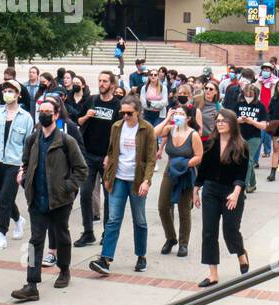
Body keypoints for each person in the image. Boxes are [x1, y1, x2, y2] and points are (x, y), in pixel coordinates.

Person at [11, 96, 86, 301]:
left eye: (47, 112)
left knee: (61, 236)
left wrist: (67, 187)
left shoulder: (66, 141)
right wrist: (24, 177)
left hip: (60, 200)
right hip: (37, 199)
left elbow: (81, 169)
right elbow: (25, 163)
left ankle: (64, 269)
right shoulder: (32, 139)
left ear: (56, 115)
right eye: (41, 111)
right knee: (35, 241)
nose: (43, 114)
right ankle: (32, 284)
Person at [89, 96, 156, 276]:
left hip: (137, 180)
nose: (125, 116)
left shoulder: (147, 129)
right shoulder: (117, 126)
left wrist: (146, 181)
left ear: (138, 112)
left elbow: (151, 158)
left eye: (129, 113)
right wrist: (108, 171)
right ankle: (106, 259)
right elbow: (111, 151)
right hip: (118, 178)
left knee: (139, 220)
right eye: (122, 112)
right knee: (113, 219)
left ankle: (141, 255)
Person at [194, 114, 250, 287]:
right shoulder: (210, 144)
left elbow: (241, 173)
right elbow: (203, 169)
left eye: (224, 121)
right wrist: (196, 189)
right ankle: (213, 274)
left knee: (230, 230)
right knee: (209, 231)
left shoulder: (241, 146)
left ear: (232, 123)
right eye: (218, 121)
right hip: (210, 190)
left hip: (232, 191)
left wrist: (236, 193)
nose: (220, 124)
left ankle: (241, 253)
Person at [75, 70, 122, 248]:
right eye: (100, 80)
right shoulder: (91, 100)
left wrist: (111, 155)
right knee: (85, 194)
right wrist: (87, 115)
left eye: (105, 81)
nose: (101, 84)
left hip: (107, 158)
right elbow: (77, 121)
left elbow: (119, 134)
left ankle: (106, 233)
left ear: (112, 84)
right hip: (88, 155)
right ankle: (88, 233)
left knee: (109, 197)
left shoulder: (118, 105)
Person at [0, 82, 33, 251]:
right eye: (5, 91)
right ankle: (18, 219)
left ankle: (1, 233)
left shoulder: (25, 117)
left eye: (10, 91)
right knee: (4, 195)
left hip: (15, 162)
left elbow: (29, 144)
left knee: (5, 197)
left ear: (18, 94)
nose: (7, 93)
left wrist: (24, 166)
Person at [152, 101, 203, 258]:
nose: (178, 117)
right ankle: (171, 238)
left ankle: (183, 243)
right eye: (177, 114)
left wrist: (185, 163)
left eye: (181, 114)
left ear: (188, 118)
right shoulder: (170, 129)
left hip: (186, 173)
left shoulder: (193, 134)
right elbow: (154, 133)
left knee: (183, 210)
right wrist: (167, 118)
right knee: (163, 206)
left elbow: (199, 156)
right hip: (170, 171)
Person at [235, 83, 269, 192]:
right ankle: (253, 183)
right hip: (240, 135)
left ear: (255, 94)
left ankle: (242, 187)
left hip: (254, 136)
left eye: (250, 95)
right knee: (246, 161)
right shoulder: (238, 105)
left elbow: (263, 125)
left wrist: (252, 121)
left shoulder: (260, 106)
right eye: (246, 94)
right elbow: (230, 120)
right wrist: (239, 120)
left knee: (247, 160)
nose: (248, 97)